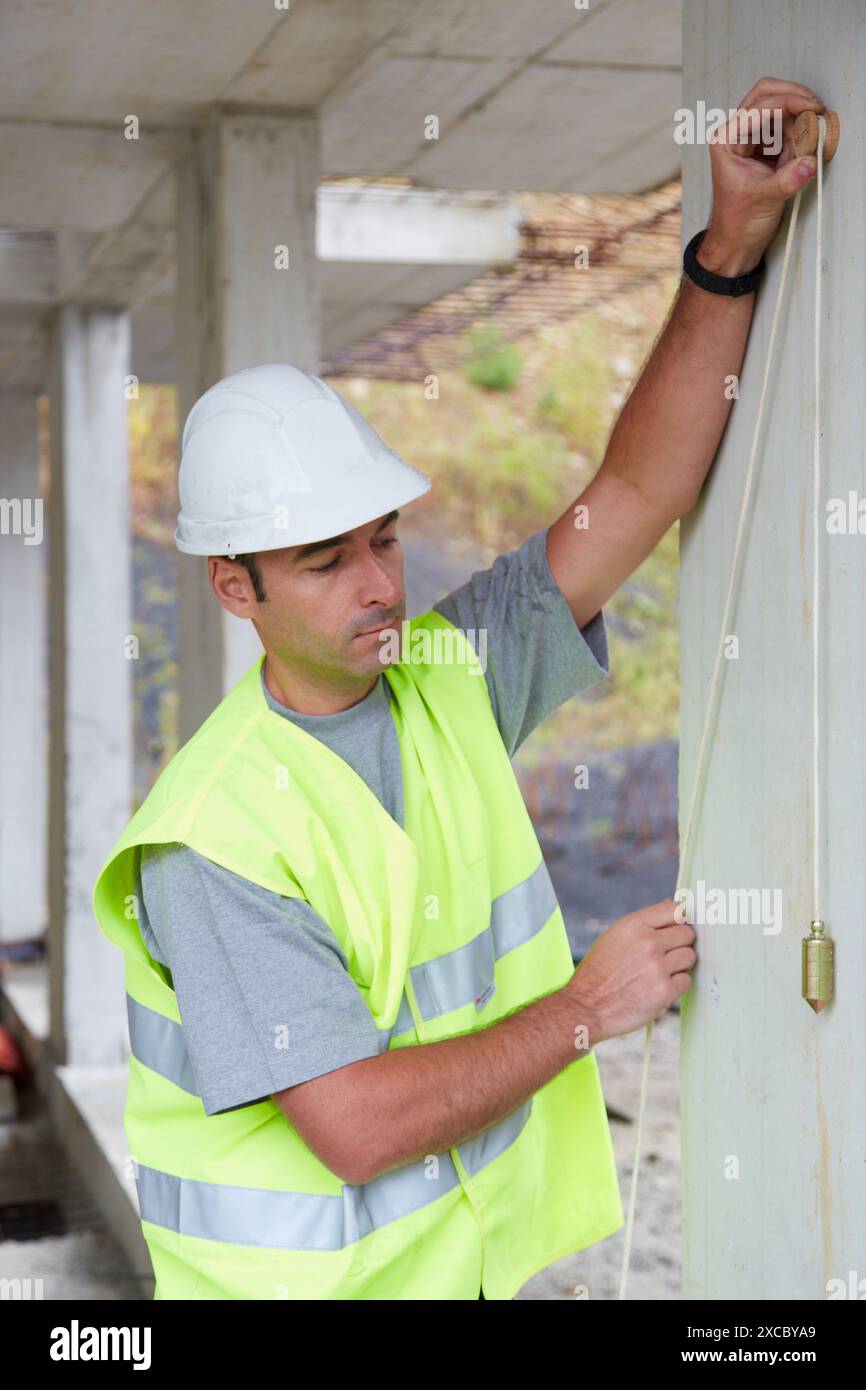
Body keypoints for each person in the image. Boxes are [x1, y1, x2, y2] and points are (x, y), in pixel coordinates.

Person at [92, 77, 825, 1299]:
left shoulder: (443, 676)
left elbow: (633, 495)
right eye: (325, 563)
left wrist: (726, 249)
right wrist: (589, 1006)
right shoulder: (210, 840)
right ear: (235, 590)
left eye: (381, 539)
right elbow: (356, 1126)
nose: (379, 585)